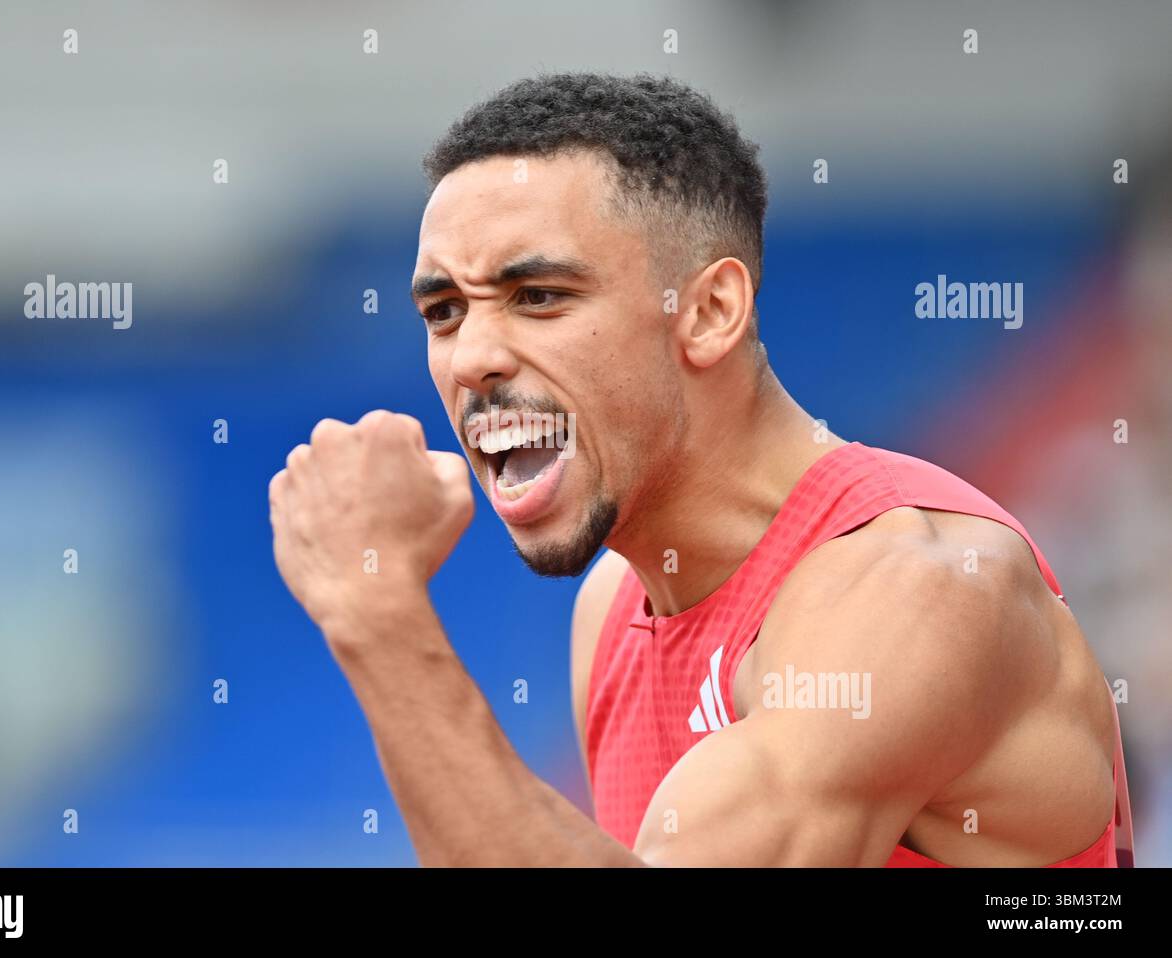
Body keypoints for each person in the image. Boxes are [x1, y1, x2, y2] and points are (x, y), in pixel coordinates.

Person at [268, 73, 1133, 866]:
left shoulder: (918, 590)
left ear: (712, 312)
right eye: (445, 310)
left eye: (539, 297)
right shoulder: (611, 609)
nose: (472, 359)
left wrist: (376, 613)